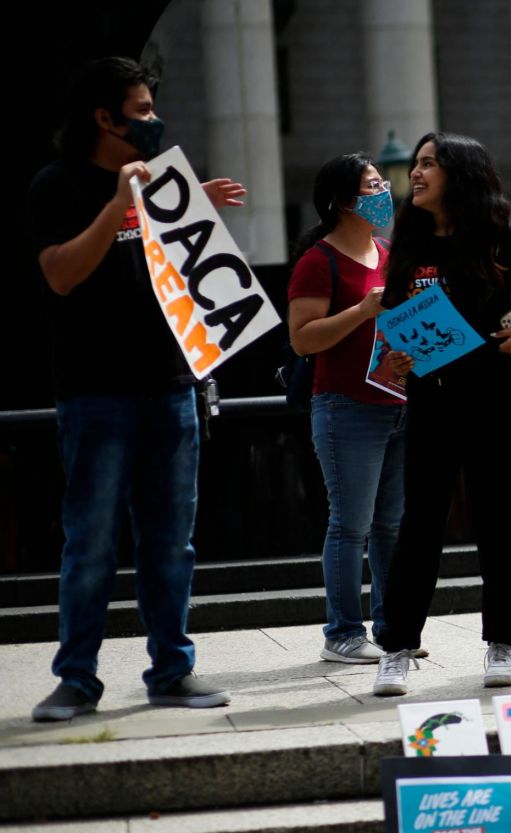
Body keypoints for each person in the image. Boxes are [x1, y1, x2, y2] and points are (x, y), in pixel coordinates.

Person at [25, 57, 244, 720]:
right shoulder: (57, 185)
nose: (154, 121)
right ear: (104, 117)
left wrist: (182, 210)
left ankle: (172, 670)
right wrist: (119, 206)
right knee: (90, 539)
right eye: (142, 110)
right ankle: (77, 678)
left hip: (170, 385)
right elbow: (61, 274)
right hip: (95, 392)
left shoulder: (163, 186)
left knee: (170, 540)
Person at [371, 132, 511, 696]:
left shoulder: (498, 238)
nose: (416, 173)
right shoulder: (408, 243)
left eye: (429, 164)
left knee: (499, 523)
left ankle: (501, 644)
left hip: (494, 395)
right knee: (420, 527)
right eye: (414, 164)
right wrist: (394, 356)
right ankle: (396, 647)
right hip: (430, 397)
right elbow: (390, 321)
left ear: (459, 173)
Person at [287, 154, 414, 664]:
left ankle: (389, 627)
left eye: (383, 183)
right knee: (350, 524)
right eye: (372, 185)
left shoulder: (387, 252)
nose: (384, 191)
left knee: (390, 524)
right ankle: (342, 632)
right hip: (346, 408)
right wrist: (362, 309)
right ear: (343, 202)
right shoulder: (318, 261)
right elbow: (302, 339)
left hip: (397, 404)